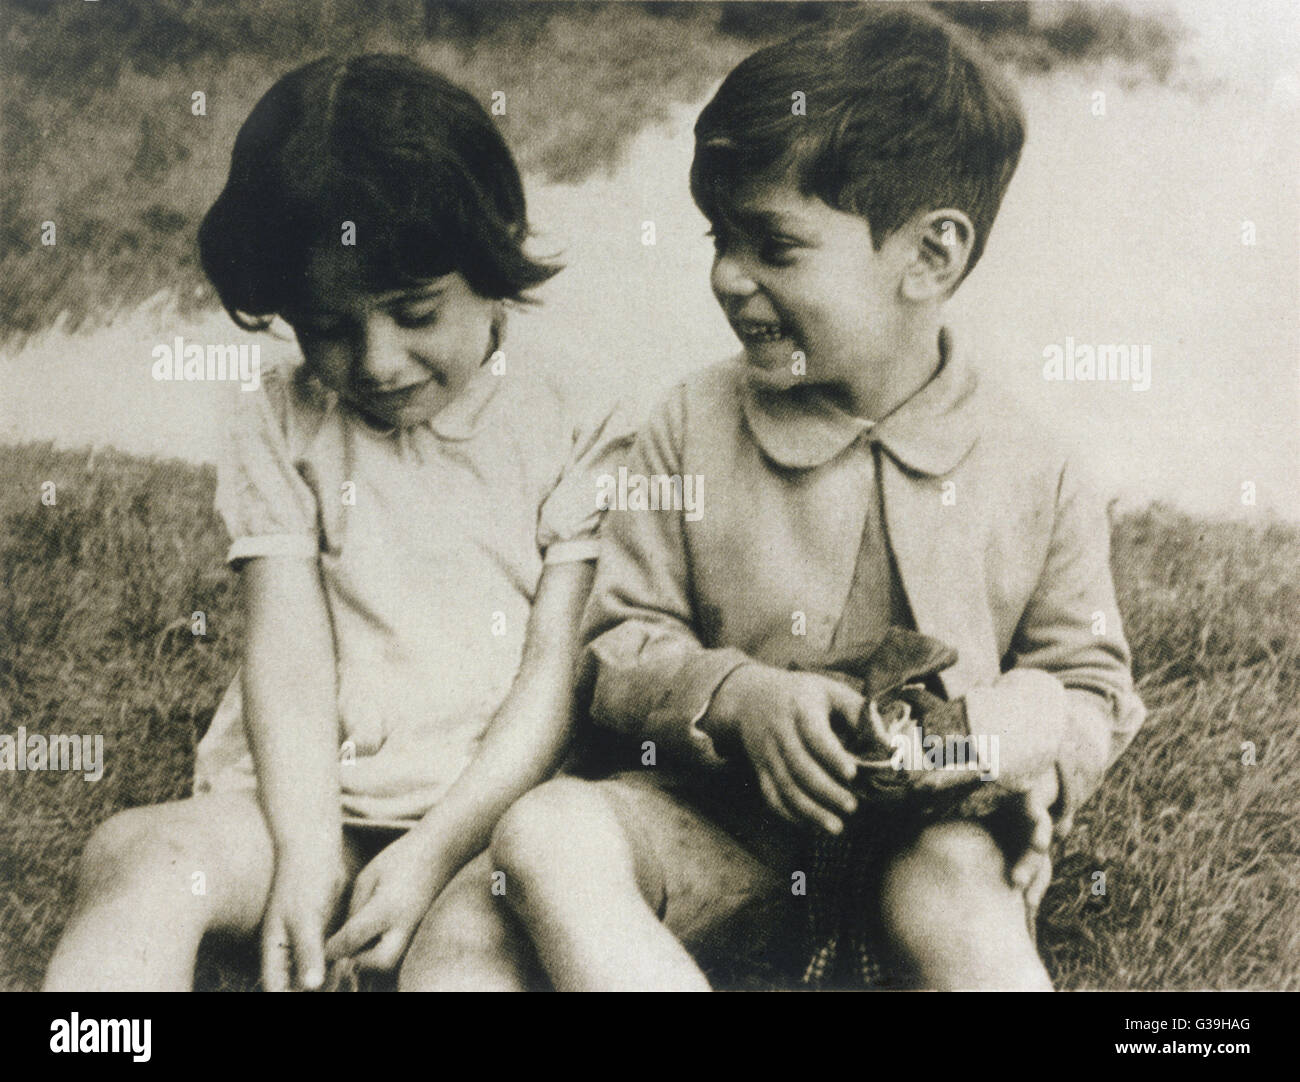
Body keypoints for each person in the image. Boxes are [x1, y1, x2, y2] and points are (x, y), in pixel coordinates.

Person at [456, 7, 1146, 991]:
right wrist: (734, 697)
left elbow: (1087, 689)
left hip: (932, 838)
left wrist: (987, 737)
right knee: (546, 830)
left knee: (950, 882)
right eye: (719, 238)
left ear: (930, 255)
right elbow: (617, 646)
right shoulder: (687, 426)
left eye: (774, 247)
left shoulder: (1039, 465)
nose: (730, 278)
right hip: (718, 825)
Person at [44, 53, 630, 992]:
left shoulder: (577, 413)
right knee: (139, 854)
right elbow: (286, 650)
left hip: (486, 817)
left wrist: (436, 851)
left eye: (413, 311)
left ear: (494, 257)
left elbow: (556, 668)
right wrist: (308, 852)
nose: (377, 360)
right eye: (328, 325)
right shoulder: (280, 421)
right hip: (299, 802)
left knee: (467, 957)